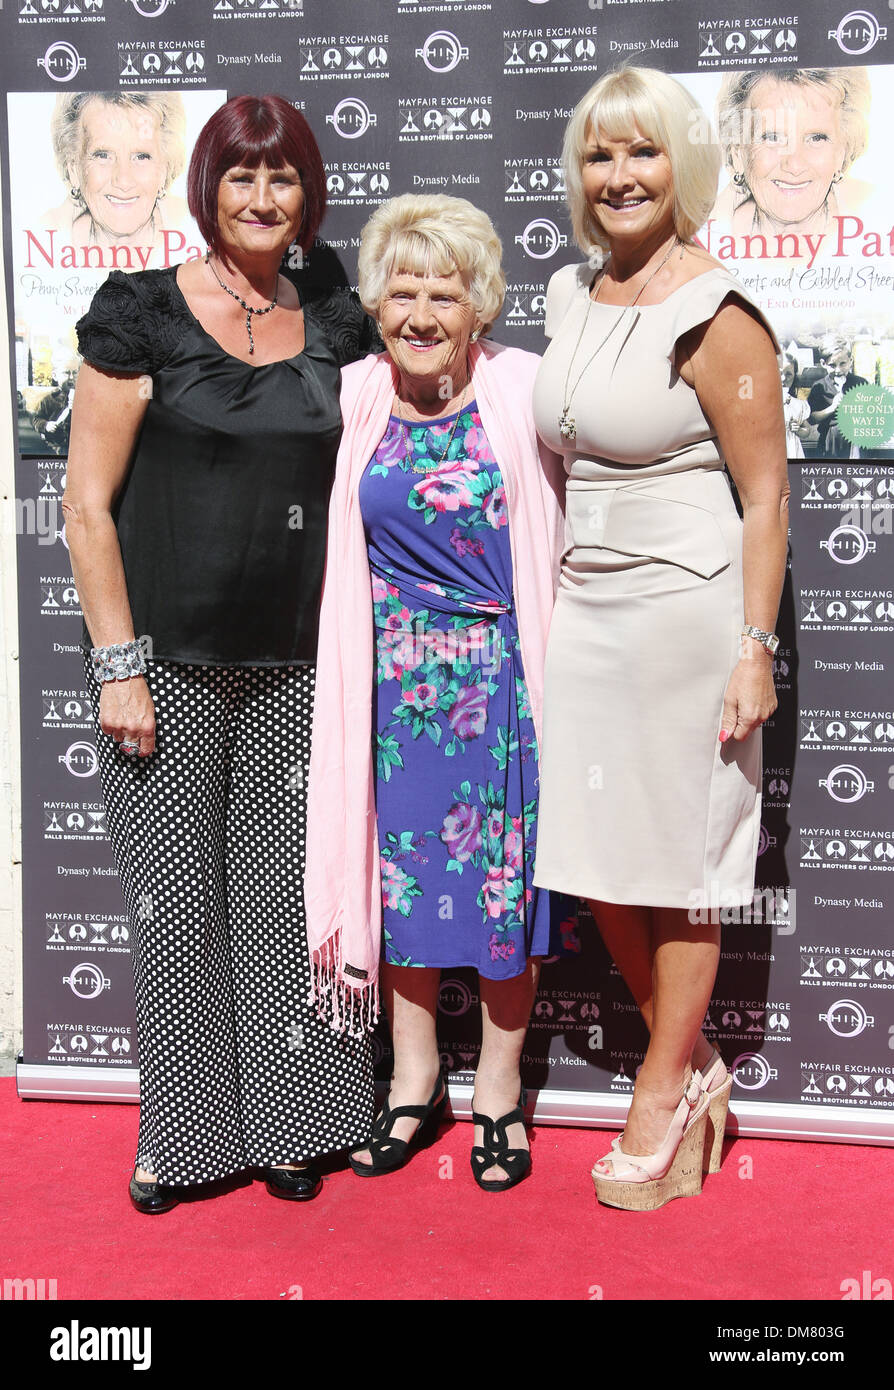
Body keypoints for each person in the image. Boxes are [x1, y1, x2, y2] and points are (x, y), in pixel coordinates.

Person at [62, 94, 377, 1214]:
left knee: (282, 901)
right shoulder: (139, 313)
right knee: (177, 904)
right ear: (207, 187)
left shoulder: (335, 308)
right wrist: (119, 666)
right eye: (240, 177)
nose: (261, 198)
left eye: (283, 177)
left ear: (307, 195)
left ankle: (295, 1122)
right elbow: (85, 509)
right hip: (169, 668)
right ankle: (185, 1136)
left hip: (302, 665)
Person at [531, 67, 789, 1210]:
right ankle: (689, 1066)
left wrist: (754, 646)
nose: (619, 176)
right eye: (599, 155)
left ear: (680, 168)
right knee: (598, 858)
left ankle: (660, 1092)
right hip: (585, 609)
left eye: (641, 154)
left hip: (687, 618)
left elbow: (769, 497)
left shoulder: (719, 312)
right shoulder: (568, 297)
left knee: (681, 868)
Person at [303, 194, 568, 1192]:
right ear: (374, 303)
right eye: (402, 290)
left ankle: (499, 1090)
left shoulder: (524, 389)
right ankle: (415, 1083)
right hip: (390, 689)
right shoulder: (355, 393)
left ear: (480, 305)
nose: (420, 312)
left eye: (443, 293)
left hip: (501, 682)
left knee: (504, 898)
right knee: (400, 890)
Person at [715, 68, 871, 237]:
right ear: (738, 153)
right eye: (773, 138)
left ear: (841, 153)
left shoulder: (878, 214)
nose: (795, 165)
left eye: (816, 138)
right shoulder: (698, 236)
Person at [49, 91, 188, 248]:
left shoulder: (195, 228)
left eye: (141, 157)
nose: (123, 180)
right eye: (103, 155)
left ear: (164, 169)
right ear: (73, 169)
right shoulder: (44, 234)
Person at [807, 335, 867, 458]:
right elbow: (812, 418)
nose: (838, 370)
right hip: (830, 440)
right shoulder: (819, 386)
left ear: (851, 360)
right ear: (823, 363)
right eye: (832, 365)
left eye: (843, 363)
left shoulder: (861, 383)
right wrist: (832, 407)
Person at [781, 354, 811, 458]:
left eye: (789, 374)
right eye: (779, 373)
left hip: (792, 450)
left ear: (794, 376)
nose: (783, 378)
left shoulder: (797, 404)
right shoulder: (762, 402)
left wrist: (798, 429)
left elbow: (807, 430)